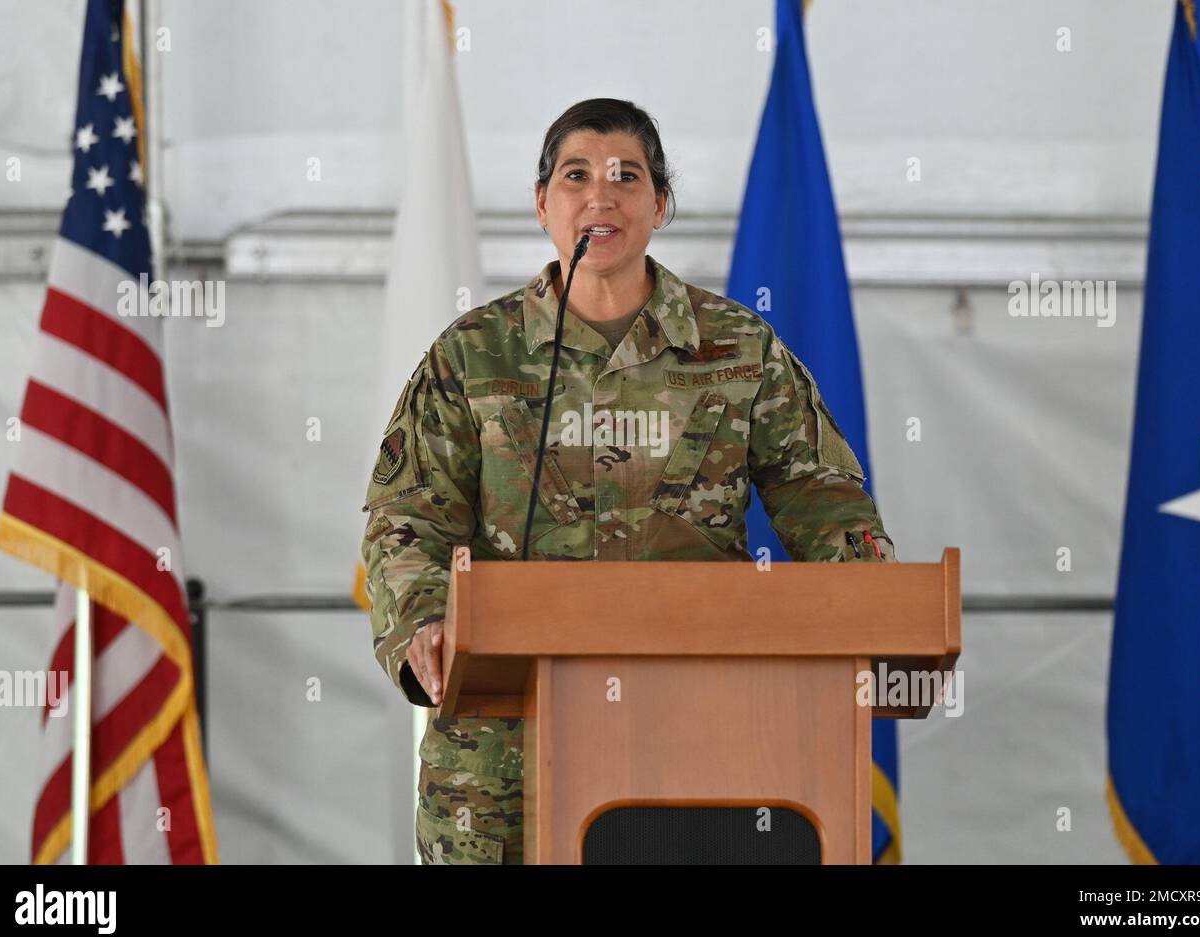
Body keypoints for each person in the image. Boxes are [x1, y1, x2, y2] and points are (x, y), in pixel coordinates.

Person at [360, 98, 896, 864]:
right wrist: (422, 622)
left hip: (699, 737)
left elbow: (824, 498)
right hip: (502, 760)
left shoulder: (740, 350)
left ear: (660, 203)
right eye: (576, 175)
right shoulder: (474, 355)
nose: (600, 196)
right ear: (543, 202)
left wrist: (868, 599)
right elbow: (406, 517)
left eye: (626, 176)